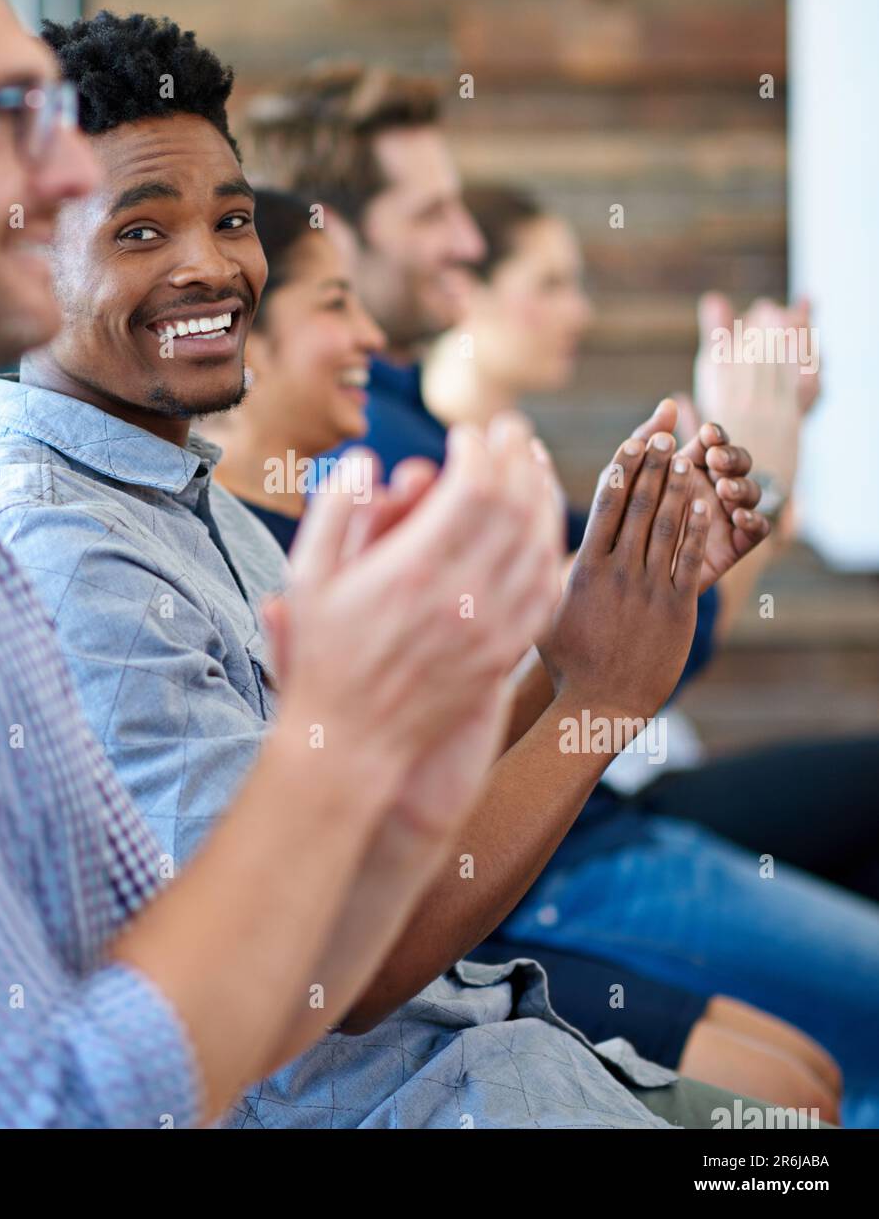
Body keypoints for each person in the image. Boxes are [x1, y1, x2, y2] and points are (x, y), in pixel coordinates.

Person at [0, 0, 570, 1128]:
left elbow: (243, 985)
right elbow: (54, 1113)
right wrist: (354, 747)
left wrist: (442, 715)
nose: (56, 176)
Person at [0, 9, 810, 1130]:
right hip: (396, 1098)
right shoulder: (67, 558)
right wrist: (601, 704)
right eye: (139, 233)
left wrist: (572, 649)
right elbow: (318, 972)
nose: (211, 265)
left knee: (798, 1120)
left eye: (228, 218)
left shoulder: (189, 504)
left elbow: (369, 828)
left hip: (483, 1046)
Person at [244, 64, 879, 1125]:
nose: (462, 242)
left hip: (565, 827)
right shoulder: (374, 453)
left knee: (800, 1086)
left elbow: (611, 633)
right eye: (436, 213)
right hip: (541, 871)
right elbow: (628, 639)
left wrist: (714, 518)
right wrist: (757, 470)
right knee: (783, 1102)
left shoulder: (401, 432)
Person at [421, 187, 879, 897]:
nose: (581, 311)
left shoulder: (513, 453)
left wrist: (765, 453)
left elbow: (684, 603)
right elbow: (619, 639)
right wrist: (763, 469)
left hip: (616, 792)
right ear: (463, 292)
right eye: (550, 284)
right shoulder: (424, 465)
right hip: (575, 841)